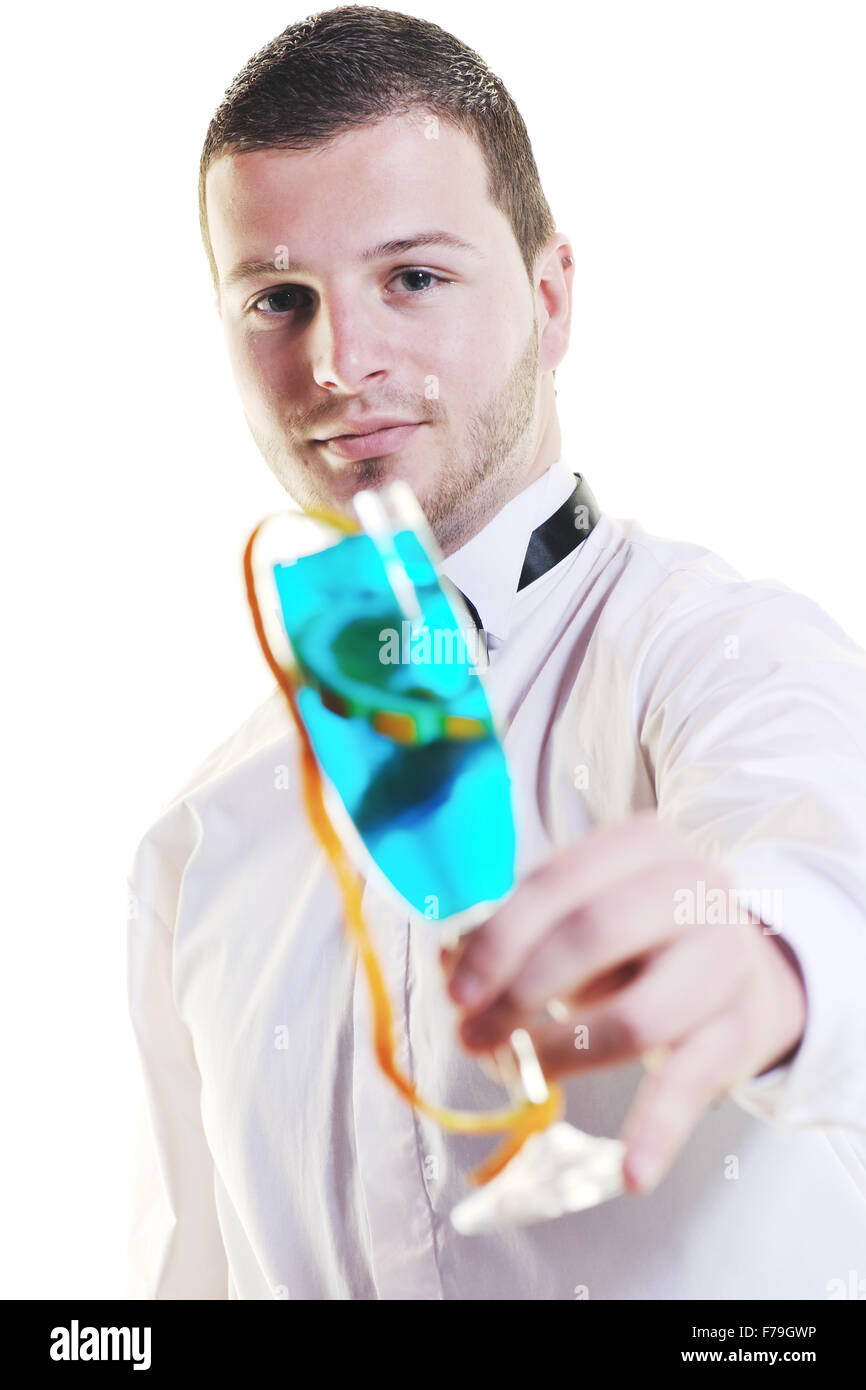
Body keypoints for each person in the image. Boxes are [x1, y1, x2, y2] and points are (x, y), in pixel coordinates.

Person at [127, 6, 866, 1300]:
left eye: (412, 277)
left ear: (549, 294)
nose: (339, 361)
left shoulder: (714, 649)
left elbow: (822, 853)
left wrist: (764, 949)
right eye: (277, 298)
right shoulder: (199, 841)